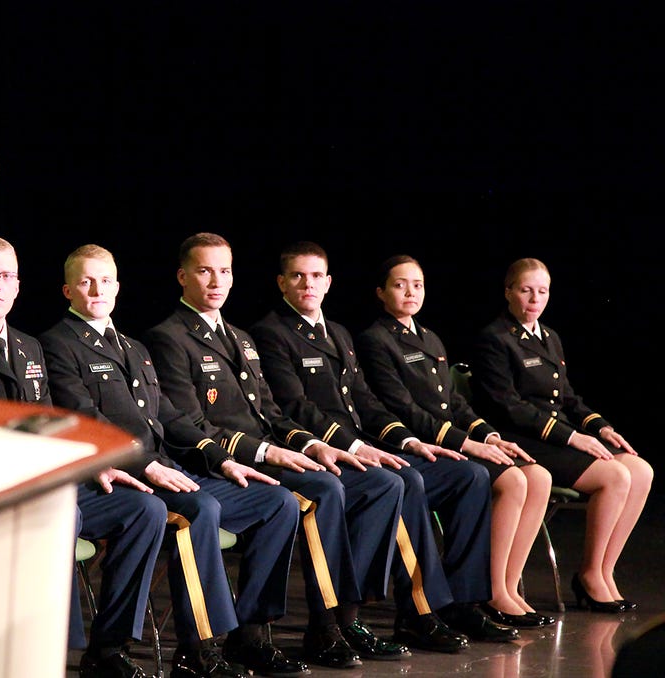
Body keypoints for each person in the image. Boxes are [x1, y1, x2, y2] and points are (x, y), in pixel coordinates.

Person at [143, 233, 410, 669]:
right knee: (320, 491)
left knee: (381, 483)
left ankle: (346, 616)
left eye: (225, 270)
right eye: (205, 270)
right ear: (182, 276)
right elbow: (190, 426)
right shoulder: (168, 337)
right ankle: (307, 630)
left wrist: (311, 444)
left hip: (266, 455)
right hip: (220, 464)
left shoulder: (241, 338)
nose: (217, 280)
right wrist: (269, 453)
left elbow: (269, 413)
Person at [40, 244, 305, 678]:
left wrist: (220, 460)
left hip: (169, 467)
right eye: (86, 281)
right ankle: (195, 649)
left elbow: (170, 416)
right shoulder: (57, 345)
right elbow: (87, 419)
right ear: (68, 289)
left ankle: (251, 635)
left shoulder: (134, 346)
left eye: (105, 280)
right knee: (200, 509)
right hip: (121, 474)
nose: (96, 290)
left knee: (277, 502)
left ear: (118, 287)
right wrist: (142, 464)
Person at [248, 241, 519, 653]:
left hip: (367, 444)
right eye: (298, 276)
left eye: (317, 275)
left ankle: (462, 601)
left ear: (329, 282)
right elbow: (295, 407)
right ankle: (410, 614)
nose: (309, 284)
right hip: (324, 448)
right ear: (282, 282)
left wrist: (408, 440)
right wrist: (356, 445)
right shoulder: (271, 332)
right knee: (401, 481)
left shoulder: (337, 332)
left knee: (469, 474)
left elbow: (365, 402)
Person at [0, 236, 166, 677]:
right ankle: (52, 654)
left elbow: (53, 422)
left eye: (6, 276)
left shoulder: (28, 346)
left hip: (46, 480)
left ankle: (109, 647)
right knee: (59, 515)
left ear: (17, 286)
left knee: (145, 509)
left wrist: (92, 463)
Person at [356, 255, 555, 628]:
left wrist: (488, 435)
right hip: (411, 444)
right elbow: (405, 410)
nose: (411, 292)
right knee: (510, 479)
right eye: (400, 285)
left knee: (538, 477)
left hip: (451, 440)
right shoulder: (374, 340)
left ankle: (507, 588)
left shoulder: (429, 337)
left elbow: (454, 403)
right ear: (381, 292)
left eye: (418, 284)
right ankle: (490, 591)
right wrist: (468, 444)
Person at [470, 257, 653, 613]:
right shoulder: (494, 338)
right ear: (508, 292)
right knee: (615, 475)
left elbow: (567, 397)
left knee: (642, 470)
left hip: (555, 437)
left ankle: (603, 570)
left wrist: (600, 427)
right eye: (525, 290)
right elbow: (508, 407)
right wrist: (573, 438)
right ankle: (588, 576)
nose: (534, 299)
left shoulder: (549, 337)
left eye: (542, 291)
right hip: (521, 438)